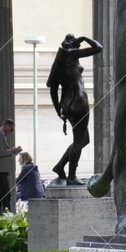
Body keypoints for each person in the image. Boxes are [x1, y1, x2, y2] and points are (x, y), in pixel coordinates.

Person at [47, 33, 102, 184]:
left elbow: (52, 89)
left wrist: (58, 109)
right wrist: (84, 38)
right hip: (79, 103)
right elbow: (98, 48)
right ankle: (71, 176)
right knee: (79, 141)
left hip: (67, 104)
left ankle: (60, 166)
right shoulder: (71, 55)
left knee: (84, 139)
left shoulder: (59, 62)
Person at [0, 118, 19, 216]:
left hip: (0, 170)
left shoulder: (0, 135)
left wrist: (12, 150)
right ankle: (9, 218)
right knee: (6, 196)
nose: (11, 132)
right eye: (11, 129)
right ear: (6, 125)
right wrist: (13, 150)